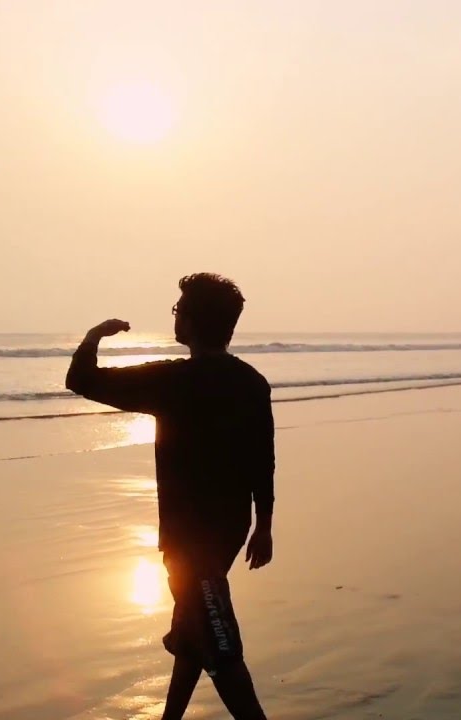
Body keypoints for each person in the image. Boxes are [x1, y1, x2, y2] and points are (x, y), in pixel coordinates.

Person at [64, 273, 272, 720]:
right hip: (231, 530)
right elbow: (263, 459)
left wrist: (93, 336)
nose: (175, 316)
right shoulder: (252, 383)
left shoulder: (175, 381)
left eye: (179, 309)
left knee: (219, 642)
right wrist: (264, 525)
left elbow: (81, 380)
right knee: (193, 626)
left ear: (194, 321)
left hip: (187, 537)